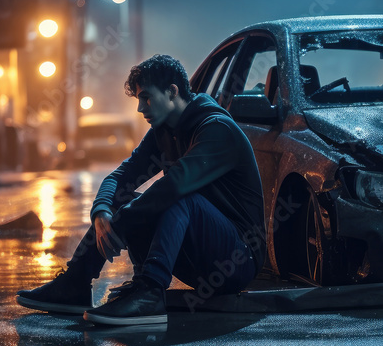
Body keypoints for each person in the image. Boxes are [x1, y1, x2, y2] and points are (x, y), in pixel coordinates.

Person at [17, 54, 265, 325]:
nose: (140, 108)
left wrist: (120, 225)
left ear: (172, 92)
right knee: (120, 202)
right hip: (197, 256)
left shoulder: (216, 129)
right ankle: (74, 285)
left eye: (146, 98)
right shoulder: (164, 130)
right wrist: (101, 214)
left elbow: (174, 186)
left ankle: (149, 292)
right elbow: (122, 175)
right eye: (138, 99)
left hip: (236, 259)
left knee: (177, 197)